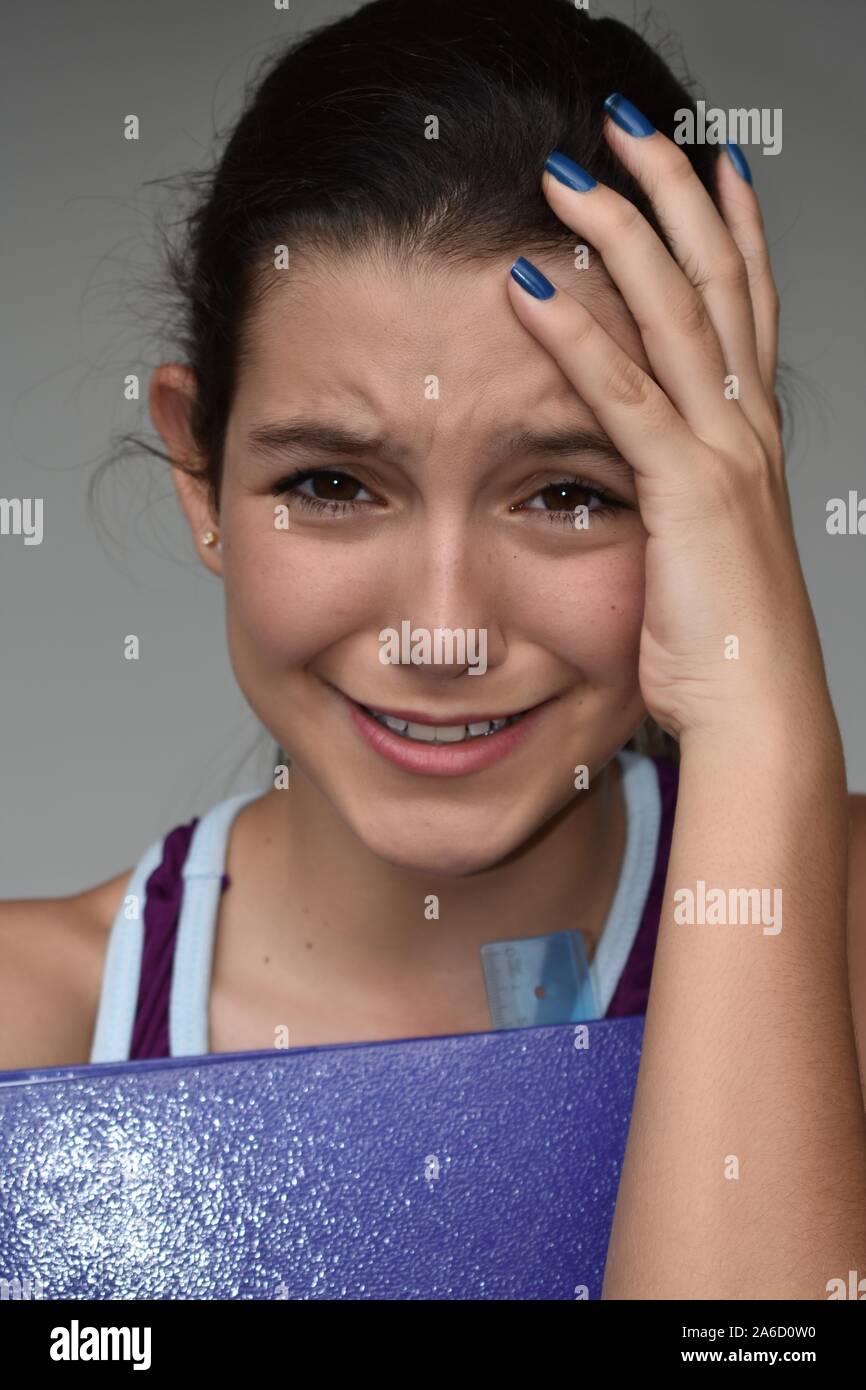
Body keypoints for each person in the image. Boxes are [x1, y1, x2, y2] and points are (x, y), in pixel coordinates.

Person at [2, 0, 865, 1298]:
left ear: (713, 494)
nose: (444, 630)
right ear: (198, 472)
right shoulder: (31, 1028)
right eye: (335, 482)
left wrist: (762, 721)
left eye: (570, 490)